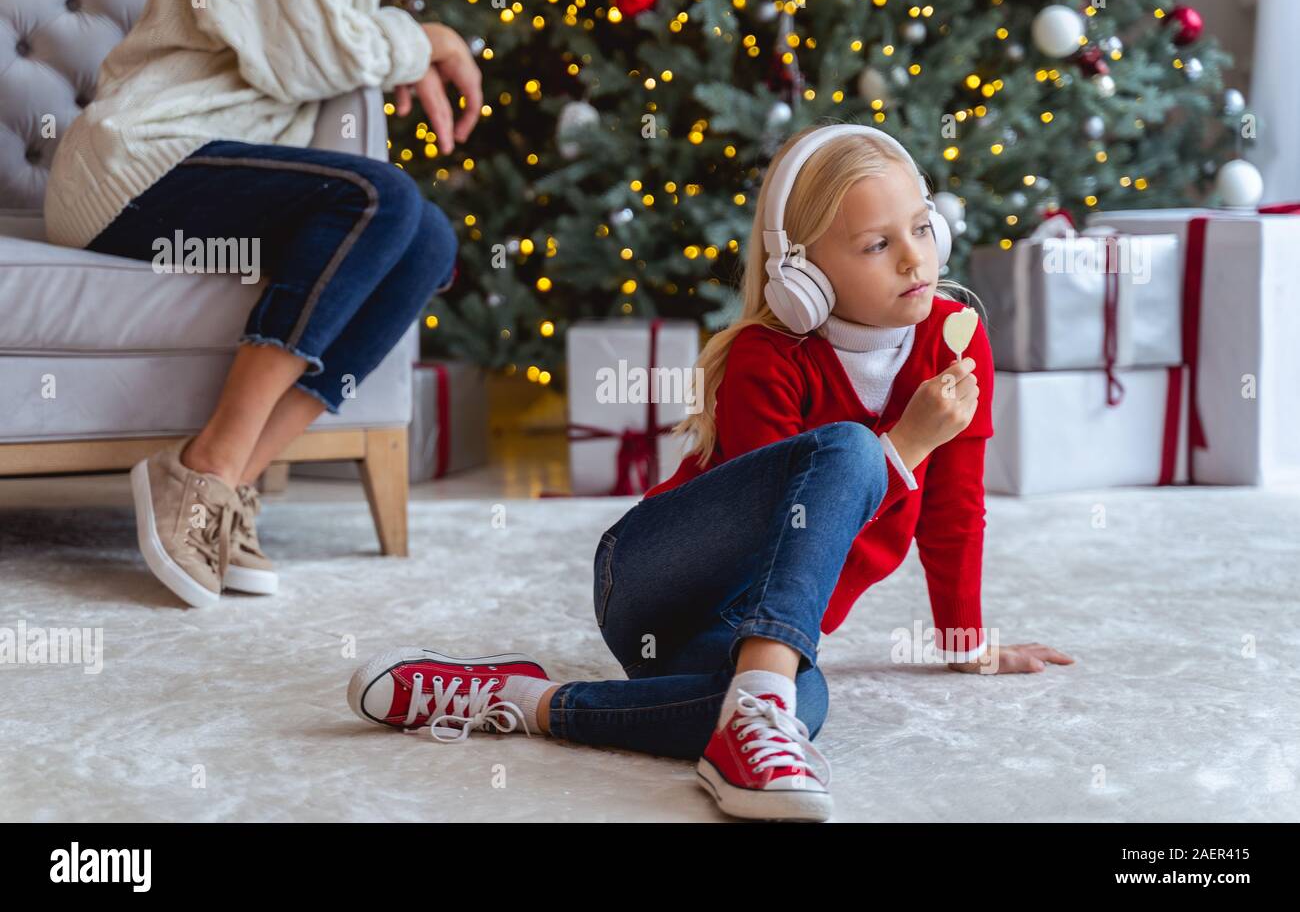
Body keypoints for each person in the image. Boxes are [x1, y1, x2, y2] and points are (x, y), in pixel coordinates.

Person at [348, 122, 1074, 822]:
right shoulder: (772, 355)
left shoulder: (955, 338)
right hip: (654, 582)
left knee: (806, 708)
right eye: (877, 244)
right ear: (804, 273)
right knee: (850, 450)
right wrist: (907, 445)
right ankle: (761, 695)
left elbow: (955, 509)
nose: (916, 260)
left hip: (756, 637)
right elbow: (785, 544)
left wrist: (962, 640)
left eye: (921, 228)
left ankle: (519, 699)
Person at [43, 0, 481, 607]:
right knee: (379, 197)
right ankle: (205, 465)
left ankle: (233, 481)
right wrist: (427, 41)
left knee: (429, 241)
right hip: (133, 161)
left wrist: (399, 41)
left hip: (226, 165)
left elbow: (330, 39)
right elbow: (313, 52)